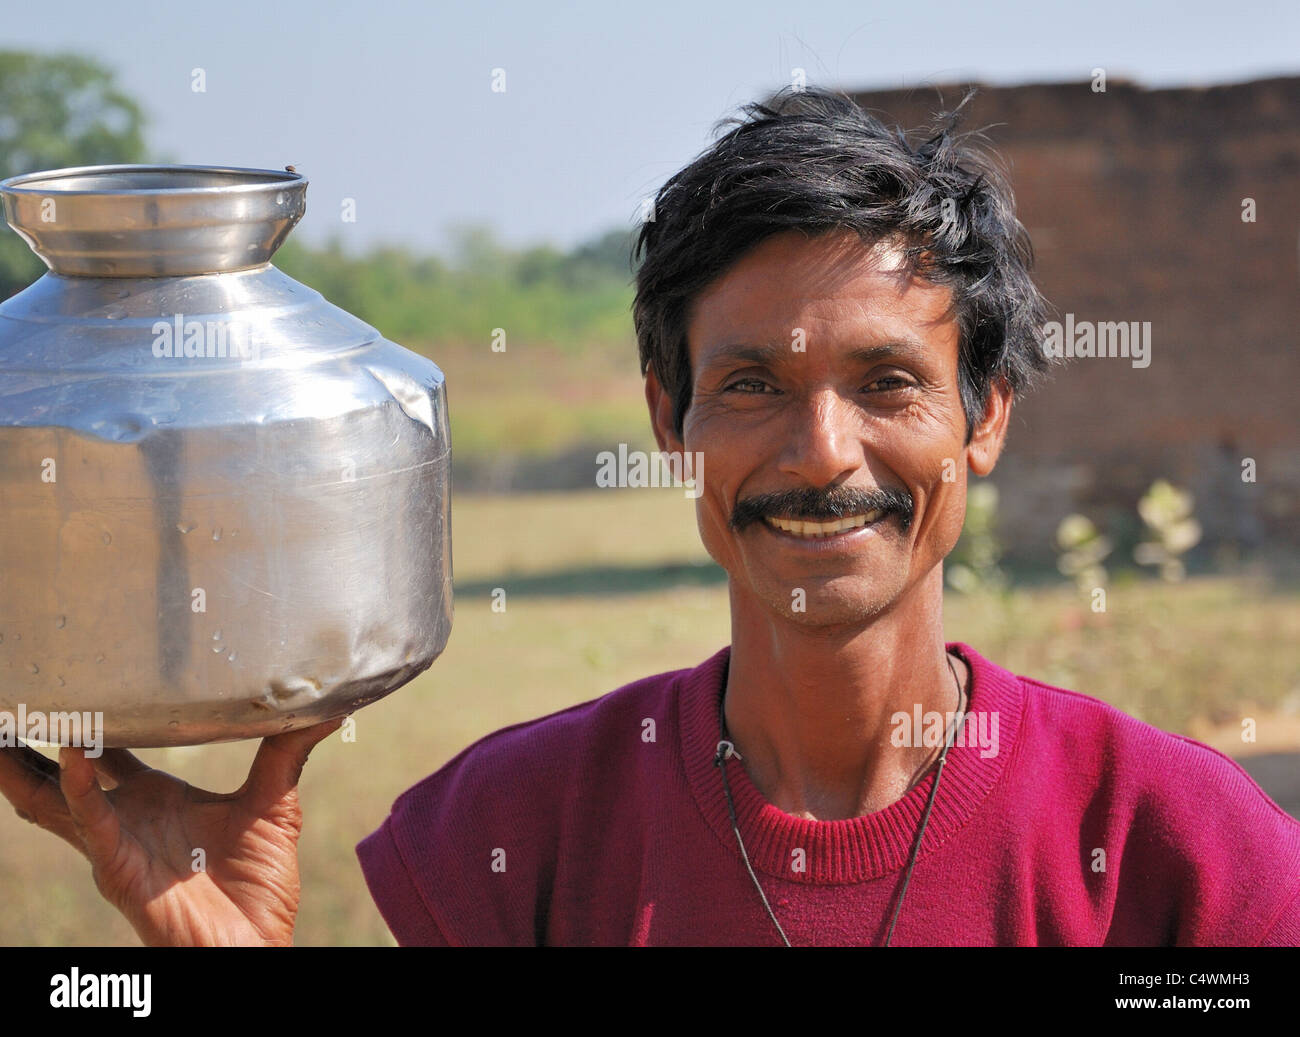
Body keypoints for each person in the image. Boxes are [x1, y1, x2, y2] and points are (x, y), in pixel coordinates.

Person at [2, 88, 1297, 947]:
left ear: (988, 413)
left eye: (888, 381)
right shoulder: (514, 837)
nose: (821, 452)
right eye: (751, 385)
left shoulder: (1172, 853)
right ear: (668, 414)